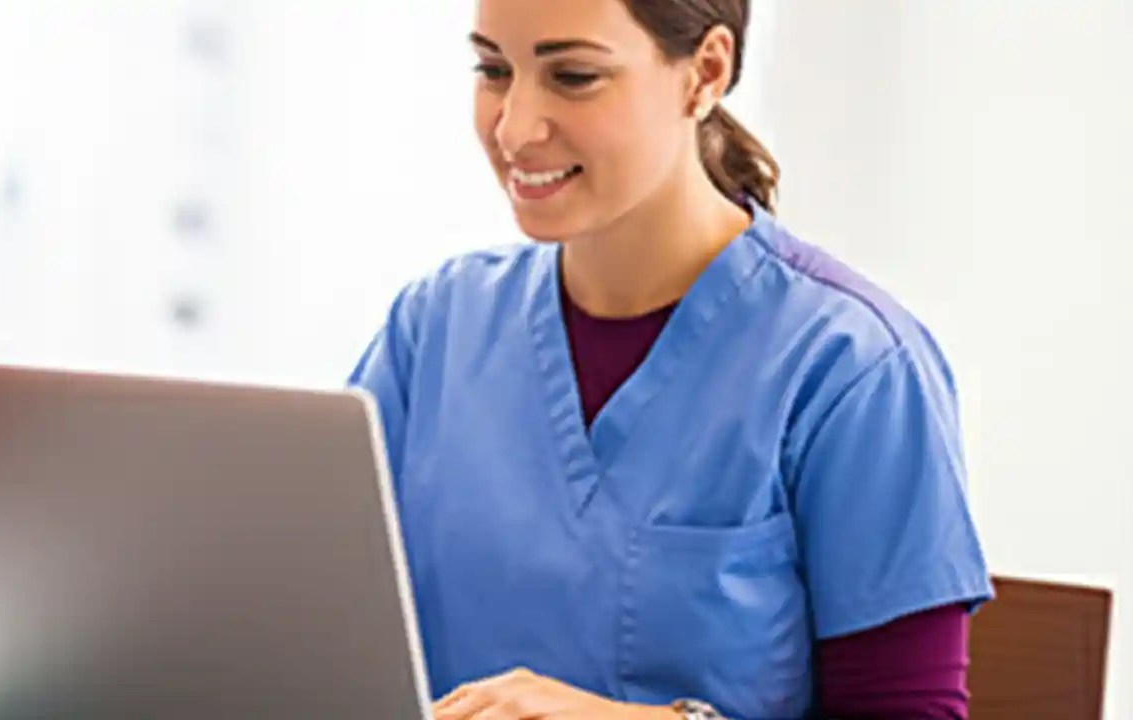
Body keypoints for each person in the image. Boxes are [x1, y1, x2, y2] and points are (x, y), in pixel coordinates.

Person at [349, 0, 993, 718]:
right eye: (494, 70)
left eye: (574, 76)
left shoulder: (851, 369)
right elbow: (311, 623)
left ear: (705, 72)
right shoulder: (435, 327)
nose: (514, 128)